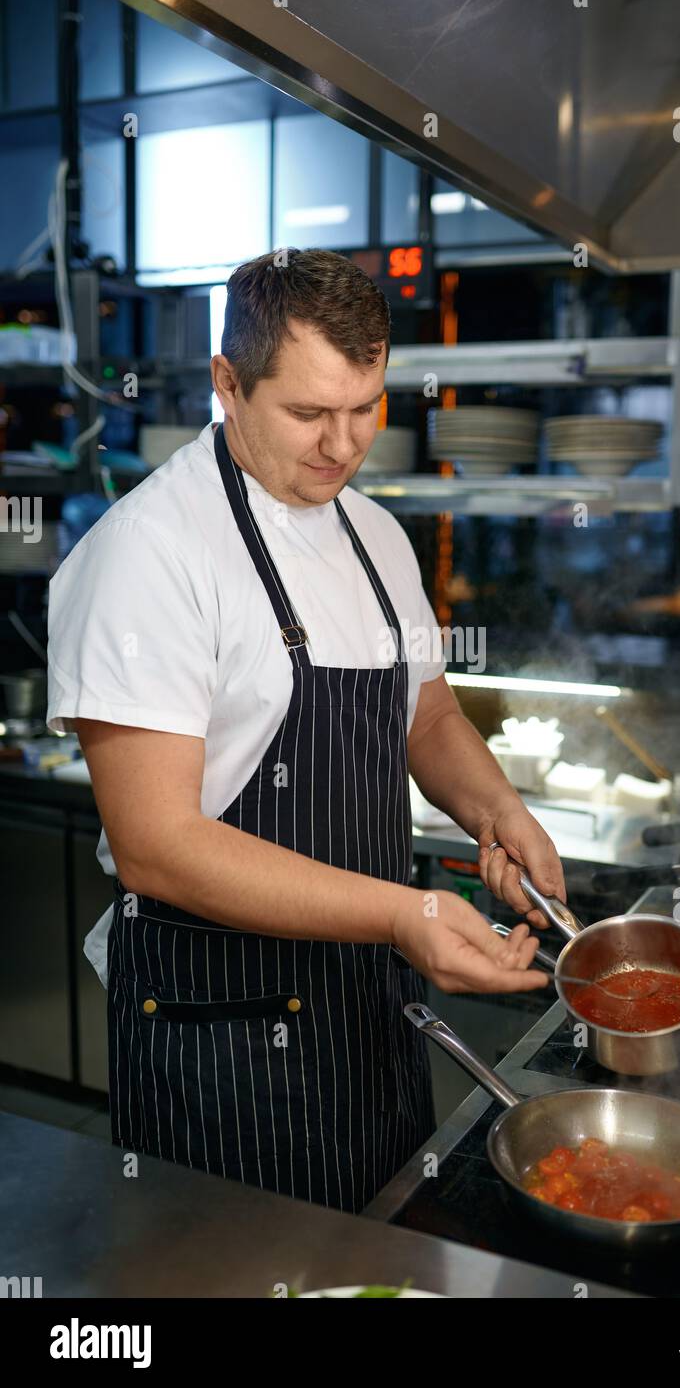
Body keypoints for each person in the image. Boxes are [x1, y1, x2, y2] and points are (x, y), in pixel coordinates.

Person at [47, 248, 566, 1212]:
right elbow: (156, 847)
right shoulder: (147, 556)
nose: (343, 444)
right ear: (227, 385)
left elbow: (429, 711)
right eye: (307, 414)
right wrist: (406, 914)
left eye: (366, 407)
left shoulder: (376, 535)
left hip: (369, 1010)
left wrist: (496, 806)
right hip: (221, 1034)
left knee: (380, 1251)